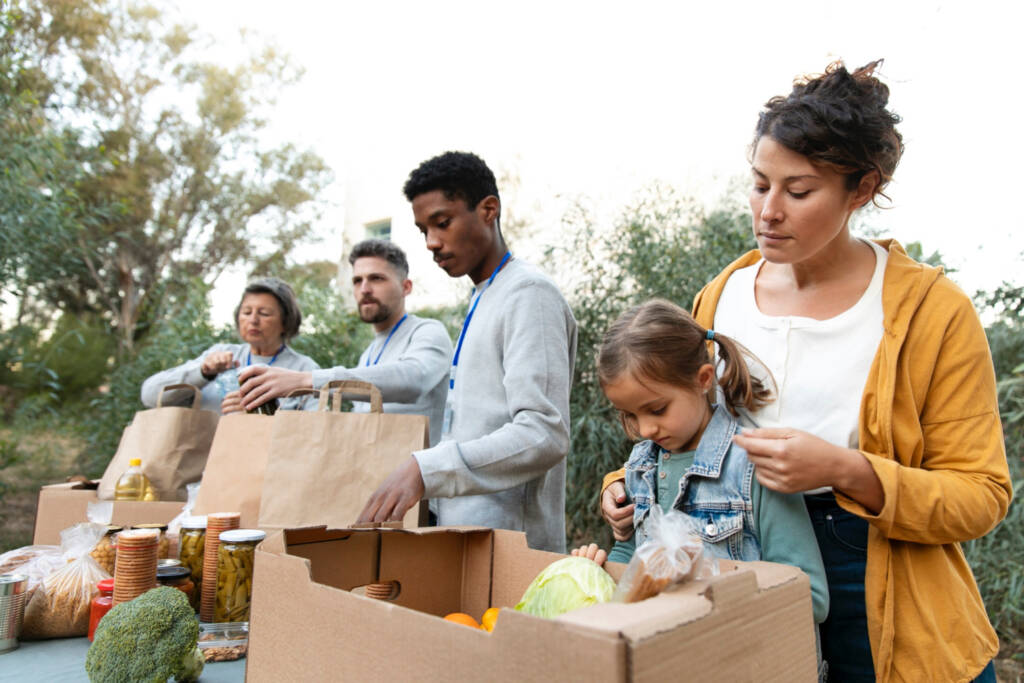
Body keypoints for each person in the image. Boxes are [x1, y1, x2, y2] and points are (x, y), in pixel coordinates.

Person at [601, 60, 1011, 682]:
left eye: (798, 192)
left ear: (863, 188)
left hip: (879, 582)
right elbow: (683, 425)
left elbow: (981, 495)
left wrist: (846, 470)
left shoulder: (931, 313)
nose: (768, 211)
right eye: (760, 183)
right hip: (735, 579)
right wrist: (626, 488)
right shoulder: (720, 297)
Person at [356, 151, 578, 553]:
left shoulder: (529, 294)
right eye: (423, 229)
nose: (431, 243)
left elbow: (544, 433)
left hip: (513, 553)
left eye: (443, 223)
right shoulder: (485, 295)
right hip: (468, 541)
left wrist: (427, 469)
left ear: (488, 210)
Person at [571, 299, 829, 626]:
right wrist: (598, 573)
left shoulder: (756, 470)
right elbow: (634, 556)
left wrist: (700, 590)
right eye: (629, 414)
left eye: (658, 409)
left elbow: (812, 598)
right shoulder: (640, 465)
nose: (646, 429)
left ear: (703, 379)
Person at [236, 239, 453, 446]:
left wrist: (307, 381)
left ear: (406, 287)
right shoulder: (369, 352)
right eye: (358, 281)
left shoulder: (427, 331)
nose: (365, 289)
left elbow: (413, 380)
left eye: (376, 278)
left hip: (416, 479)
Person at [140, 277, 319, 414]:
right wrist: (202, 373)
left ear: (286, 322)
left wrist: (263, 413)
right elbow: (149, 396)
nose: (253, 320)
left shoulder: (303, 369)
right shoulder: (219, 356)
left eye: (264, 313)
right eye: (246, 312)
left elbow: (314, 432)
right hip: (207, 461)